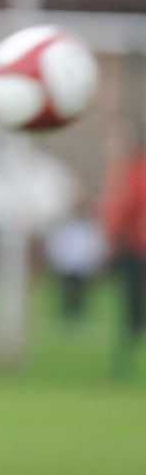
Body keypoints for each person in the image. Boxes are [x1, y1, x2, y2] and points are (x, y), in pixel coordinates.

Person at [98, 138, 146, 376]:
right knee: (132, 309)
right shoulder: (132, 170)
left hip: (136, 251)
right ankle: (126, 358)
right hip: (135, 249)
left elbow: (123, 208)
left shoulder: (134, 171)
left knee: (132, 309)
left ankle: (125, 360)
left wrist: (113, 240)